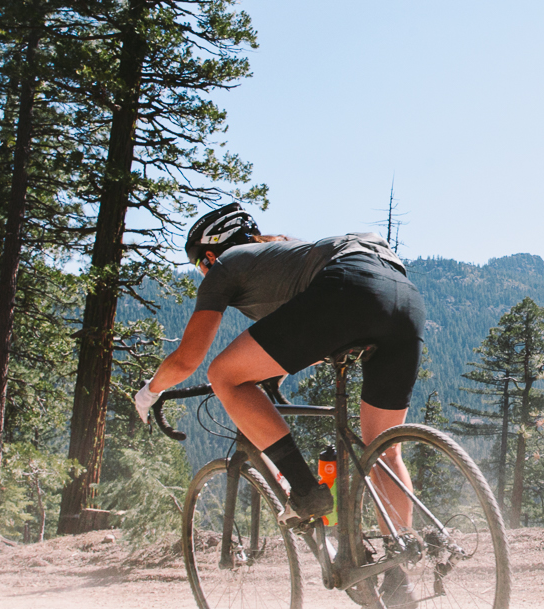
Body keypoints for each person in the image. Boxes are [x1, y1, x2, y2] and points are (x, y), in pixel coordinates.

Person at [133, 203, 426, 545]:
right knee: (384, 451)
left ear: (211, 254)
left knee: (224, 375)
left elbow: (187, 359)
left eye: (198, 264)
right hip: (406, 299)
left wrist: (150, 391)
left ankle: (305, 491)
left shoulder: (228, 264)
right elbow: (310, 336)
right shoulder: (286, 257)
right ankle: (400, 565)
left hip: (348, 288)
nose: (201, 272)